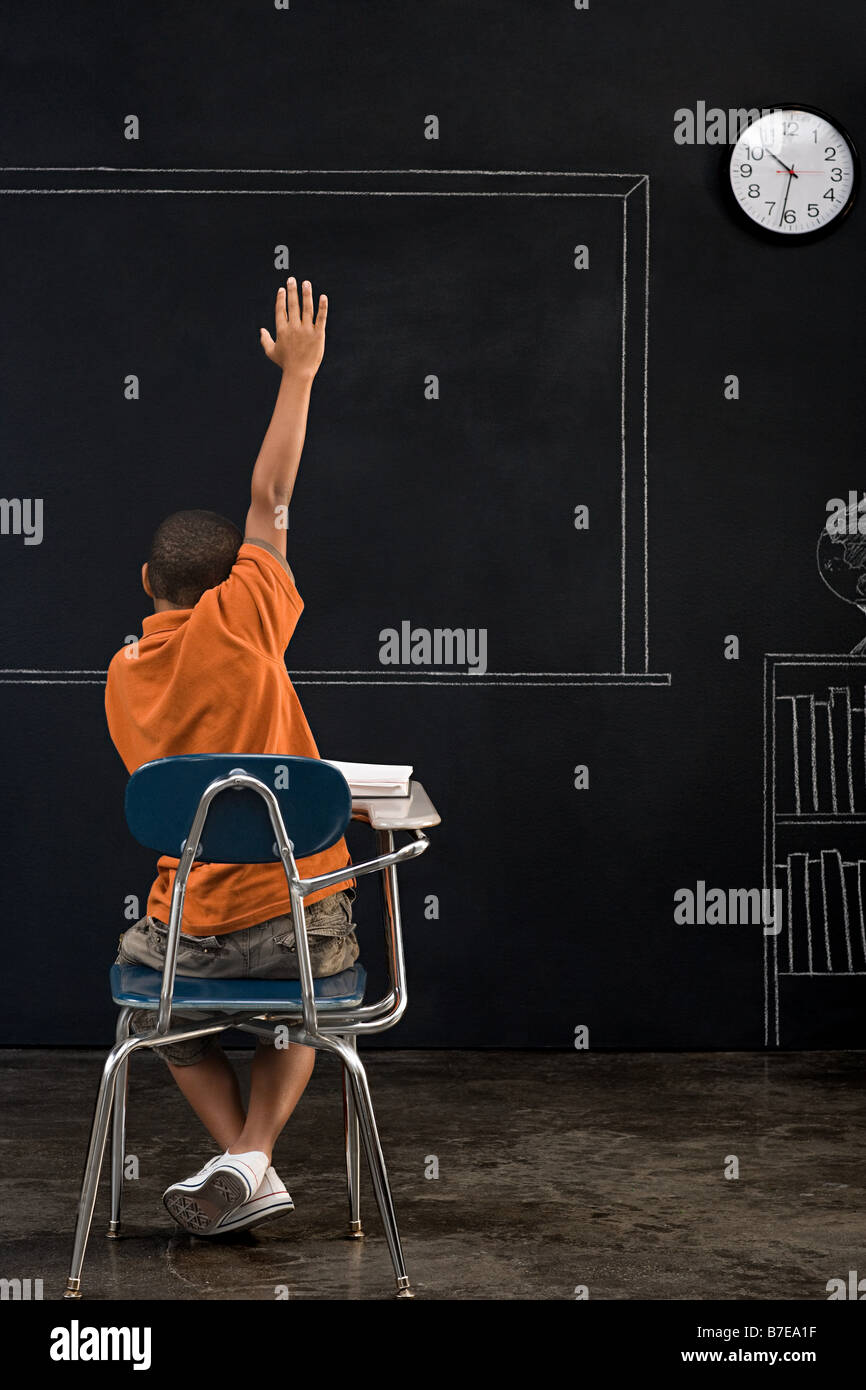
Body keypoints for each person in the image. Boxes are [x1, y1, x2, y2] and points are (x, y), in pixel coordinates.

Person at [105, 277, 356, 1236]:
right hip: (298, 923)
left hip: (184, 943)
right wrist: (300, 373)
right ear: (234, 582)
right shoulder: (247, 616)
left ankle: (242, 1162)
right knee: (303, 1013)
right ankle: (254, 1159)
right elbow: (273, 493)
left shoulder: (122, 675)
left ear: (146, 584)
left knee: (159, 1019)